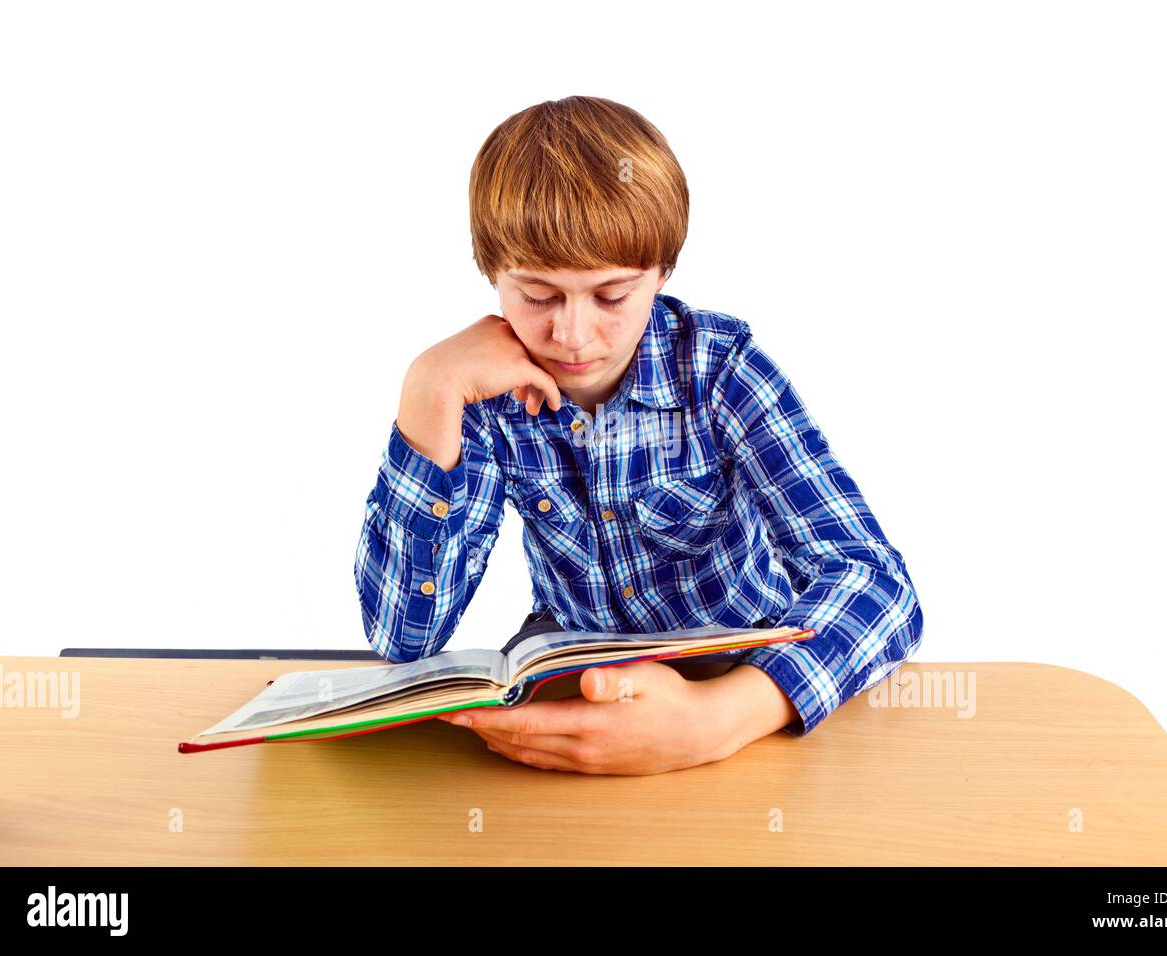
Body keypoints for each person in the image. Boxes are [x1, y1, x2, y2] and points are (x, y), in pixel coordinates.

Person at [354, 95, 923, 775]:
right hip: (578, 680)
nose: (572, 334)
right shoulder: (479, 396)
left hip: (742, 690)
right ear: (491, 274)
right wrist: (428, 392)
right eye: (537, 296)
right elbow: (402, 636)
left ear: (662, 274)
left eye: (613, 296)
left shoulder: (719, 370)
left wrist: (719, 720)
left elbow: (878, 584)